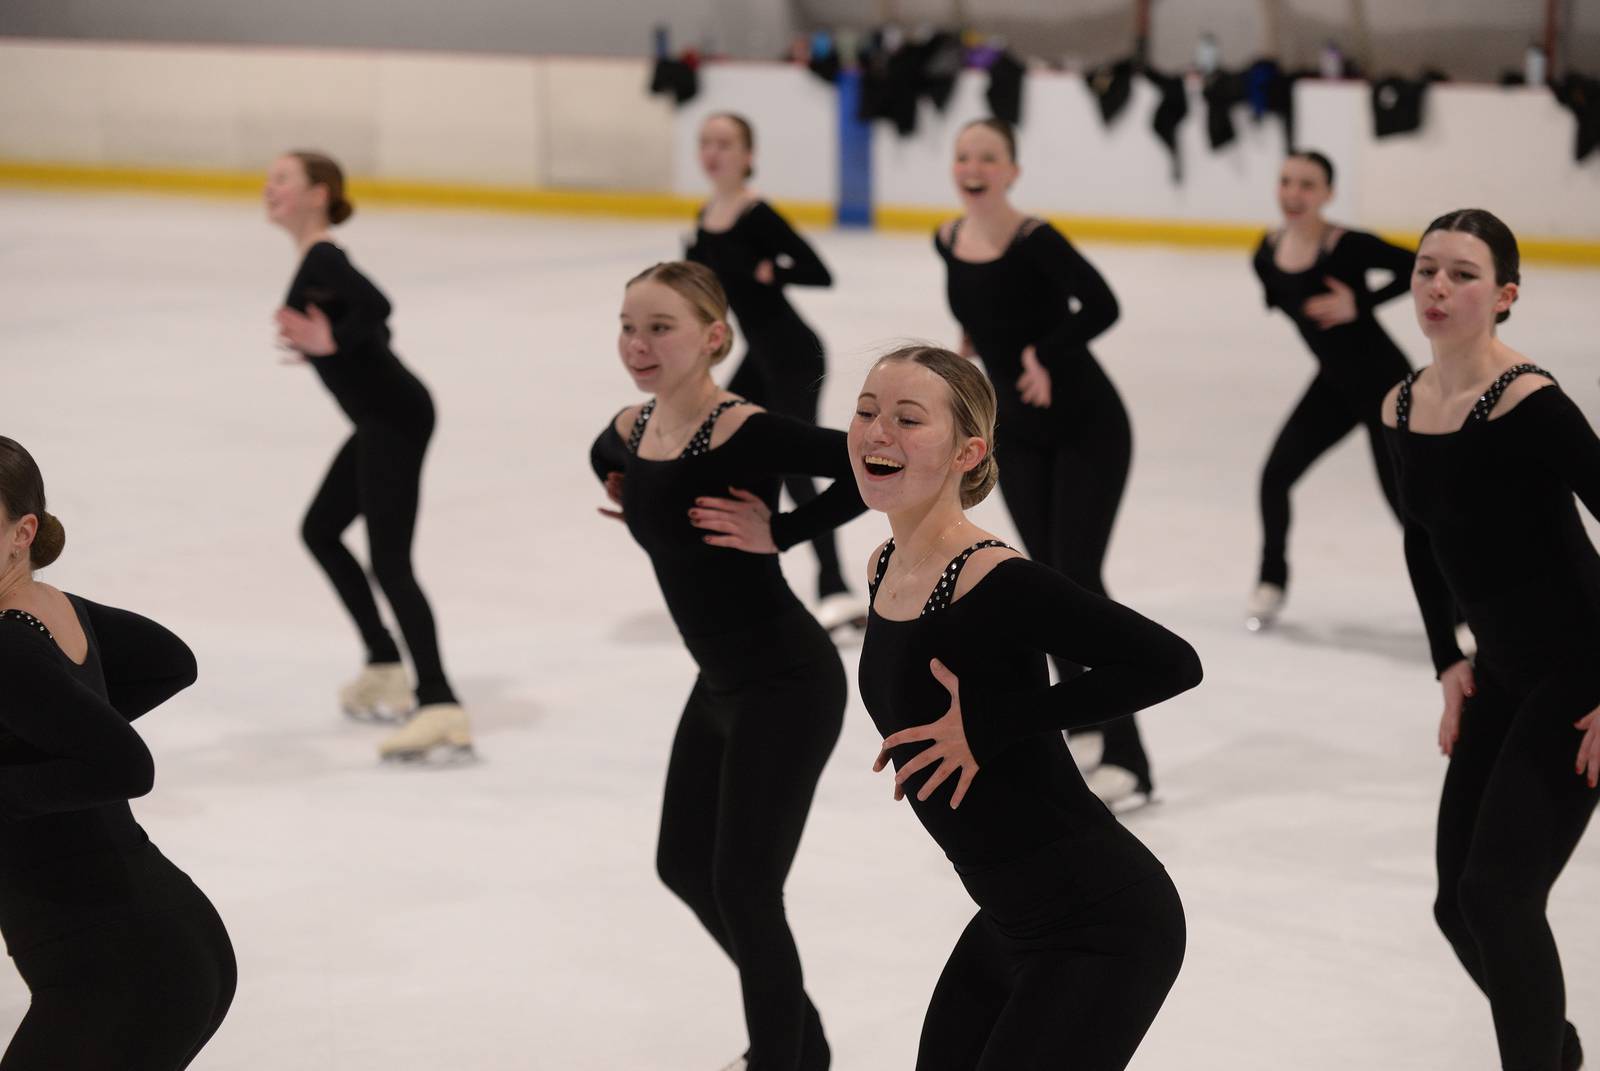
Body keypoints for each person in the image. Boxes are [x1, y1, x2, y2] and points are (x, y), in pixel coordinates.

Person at [847, 345, 1201, 1069]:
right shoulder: (885, 568)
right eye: (866, 411)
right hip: (1008, 921)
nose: (878, 432)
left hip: (1100, 925)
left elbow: (1171, 662)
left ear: (967, 452)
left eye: (908, 419)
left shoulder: (995, 578)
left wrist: (993, 723)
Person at [589, 261, 865, 1070]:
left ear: (713, 337)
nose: (638, 345)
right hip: (719, 683)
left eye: (660, 328)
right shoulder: (632, 430)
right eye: (628, 327)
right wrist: (632, 492)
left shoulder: (746, 428)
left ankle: (782, 1057)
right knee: (683, 863)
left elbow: (871, 466)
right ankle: (802, 1040)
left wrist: (784, 530)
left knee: (745, 887)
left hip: (788, 681)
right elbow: (604, 456)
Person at [1382, 208, 1598, 1071]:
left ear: (1505, 295)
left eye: (1463, 274)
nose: (1438, 286)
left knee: (1500, 895)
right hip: (1501, 670)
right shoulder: (1403, 403)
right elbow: (1420, 537)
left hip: (1581, 670)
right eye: (1427, 269)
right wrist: (1447, 658)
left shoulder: (1531, 403)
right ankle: (1555, 1052)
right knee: (1457, 903)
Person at [934, 116, 1152, 806]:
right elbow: (983, 302)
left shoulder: (1035, 239)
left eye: (988, 157)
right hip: (1016, 429)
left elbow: (1103, 305)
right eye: (964, 156)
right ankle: (1082, 717)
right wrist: (978, 336)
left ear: (1012, 171)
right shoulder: (947, 238)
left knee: (1079, 576)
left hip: (1088, 422)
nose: (974, 168)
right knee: (1047, 580)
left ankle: (1130, 756)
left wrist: (1042, 351)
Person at [0, 436, 235, 1068]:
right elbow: (170, 662)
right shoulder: (52, 608)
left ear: (23, 532)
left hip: (119, 970)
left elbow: (125, 765)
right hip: (160, 941)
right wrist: (49, 737)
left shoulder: (8, 645)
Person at [267, 150, 472, 763]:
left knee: (390, 562)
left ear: (319, 194)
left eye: (283, 180)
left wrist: (331, 340)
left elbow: (378, 308)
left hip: (394, 417)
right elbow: (376, 331)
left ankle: (439, 703)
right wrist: (330, 346)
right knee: (321, 529)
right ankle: (384, 662)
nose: (270, 188)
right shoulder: (317, 260)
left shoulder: (324, 257)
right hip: (381, 417)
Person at [1247, 150, 1449, 633]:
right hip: (1334, 387)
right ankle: (1271, 578)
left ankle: (1460, 608)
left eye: (1307, 185)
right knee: (1275, 477)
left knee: (1405, 506)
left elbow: (1419, 266)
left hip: (1386, 388)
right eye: (1286, 181)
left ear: (1328, 194)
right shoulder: (1265, 255)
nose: (1294, 194)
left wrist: (1361, 301)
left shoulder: (1347, 246)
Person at [685, 112, 866, 633]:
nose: (713, 152)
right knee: (718, 445)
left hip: (792, 353)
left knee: (794, 467)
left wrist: (774, 271)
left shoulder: (758, 214)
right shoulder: (705, 216)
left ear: (748, 155)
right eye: (706, 142)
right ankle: (738, 570)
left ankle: (835, 587)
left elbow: (819, 271)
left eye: (725, 143)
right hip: (758, 356)